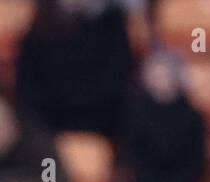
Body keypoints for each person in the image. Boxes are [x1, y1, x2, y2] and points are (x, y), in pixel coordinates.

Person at [16, 0, 136, 138]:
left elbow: (119, 89)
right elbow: (28, 101)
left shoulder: (113, 22)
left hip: (104, 138)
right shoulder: (37, 23)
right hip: (47, 141)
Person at [117, 51, 207, 182]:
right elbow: (131, 153)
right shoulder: (133, 113)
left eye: (165, 74)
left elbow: (196, 158)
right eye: (154, 74)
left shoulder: (193, 116)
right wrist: (146, 181)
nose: (160, 79)